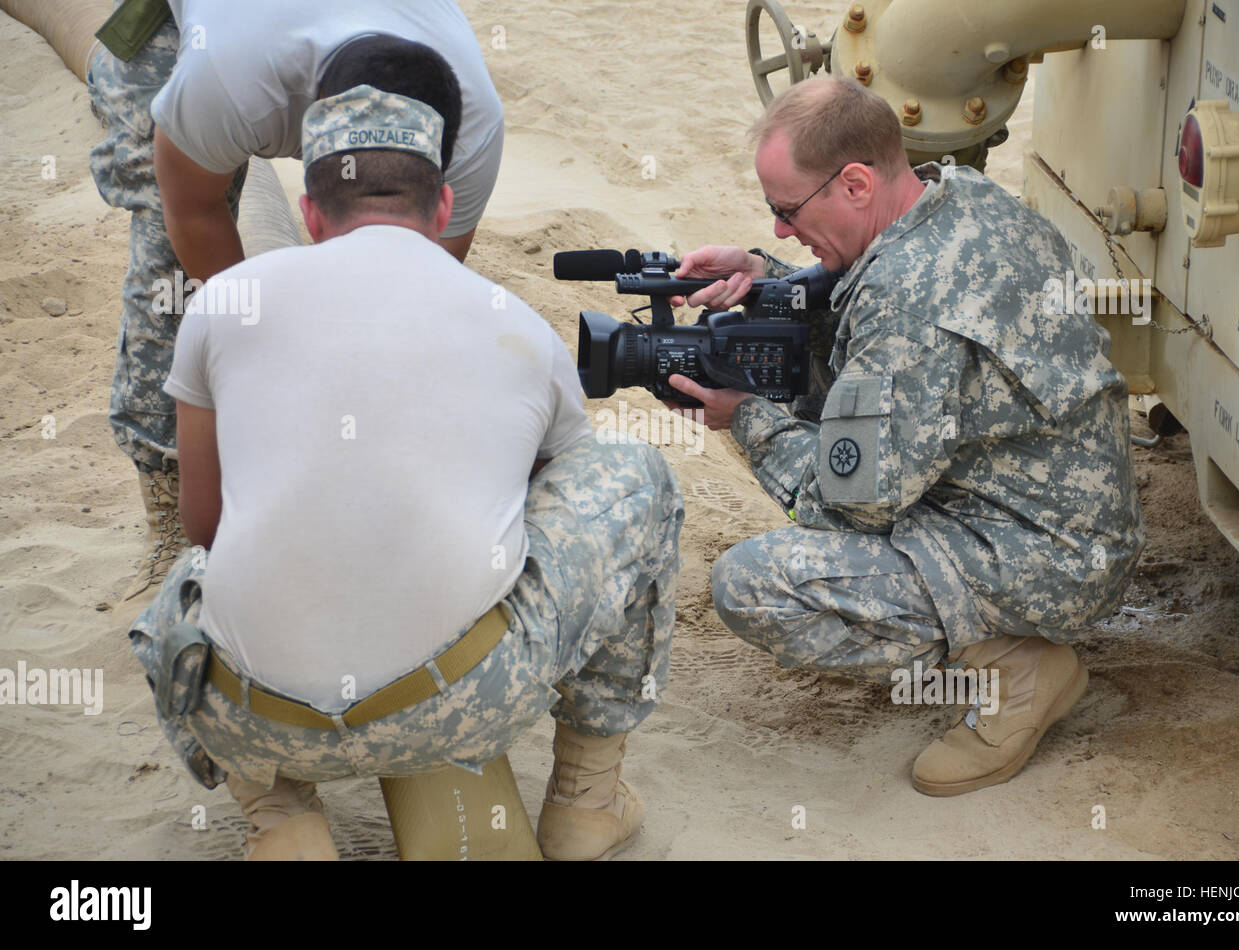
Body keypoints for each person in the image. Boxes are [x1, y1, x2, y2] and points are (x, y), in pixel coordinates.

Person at [127, 83, 684, 860]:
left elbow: (204, 524)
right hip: (460, 706)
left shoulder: (223, 301)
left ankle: (279, 817)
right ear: (445, 204)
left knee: (181, 583)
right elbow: (541, 502)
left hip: (252, 713)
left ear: (313, 215)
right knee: (633, 473)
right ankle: (585, 804)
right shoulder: (516, 325)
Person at [662, 76, 1145, 797]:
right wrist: (770, 285)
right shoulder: (958, 196)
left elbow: (847, 506)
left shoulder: (909, 298)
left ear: (856, 183)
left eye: (786, 212)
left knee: (756, 585)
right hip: (1065, 513)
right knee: (827, 394)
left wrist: (749, 417)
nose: (779, 231)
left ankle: (1018, 669)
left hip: (1049, 559)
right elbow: (871, 310)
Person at [88, 0, 506, 601]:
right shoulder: (224, 83)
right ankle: (166, 502)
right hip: (212, 28)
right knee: (170, 280)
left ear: (436, 190)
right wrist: (258, 329)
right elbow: (192, 208)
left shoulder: (472, 131)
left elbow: (417, 288)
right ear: (309, 209)